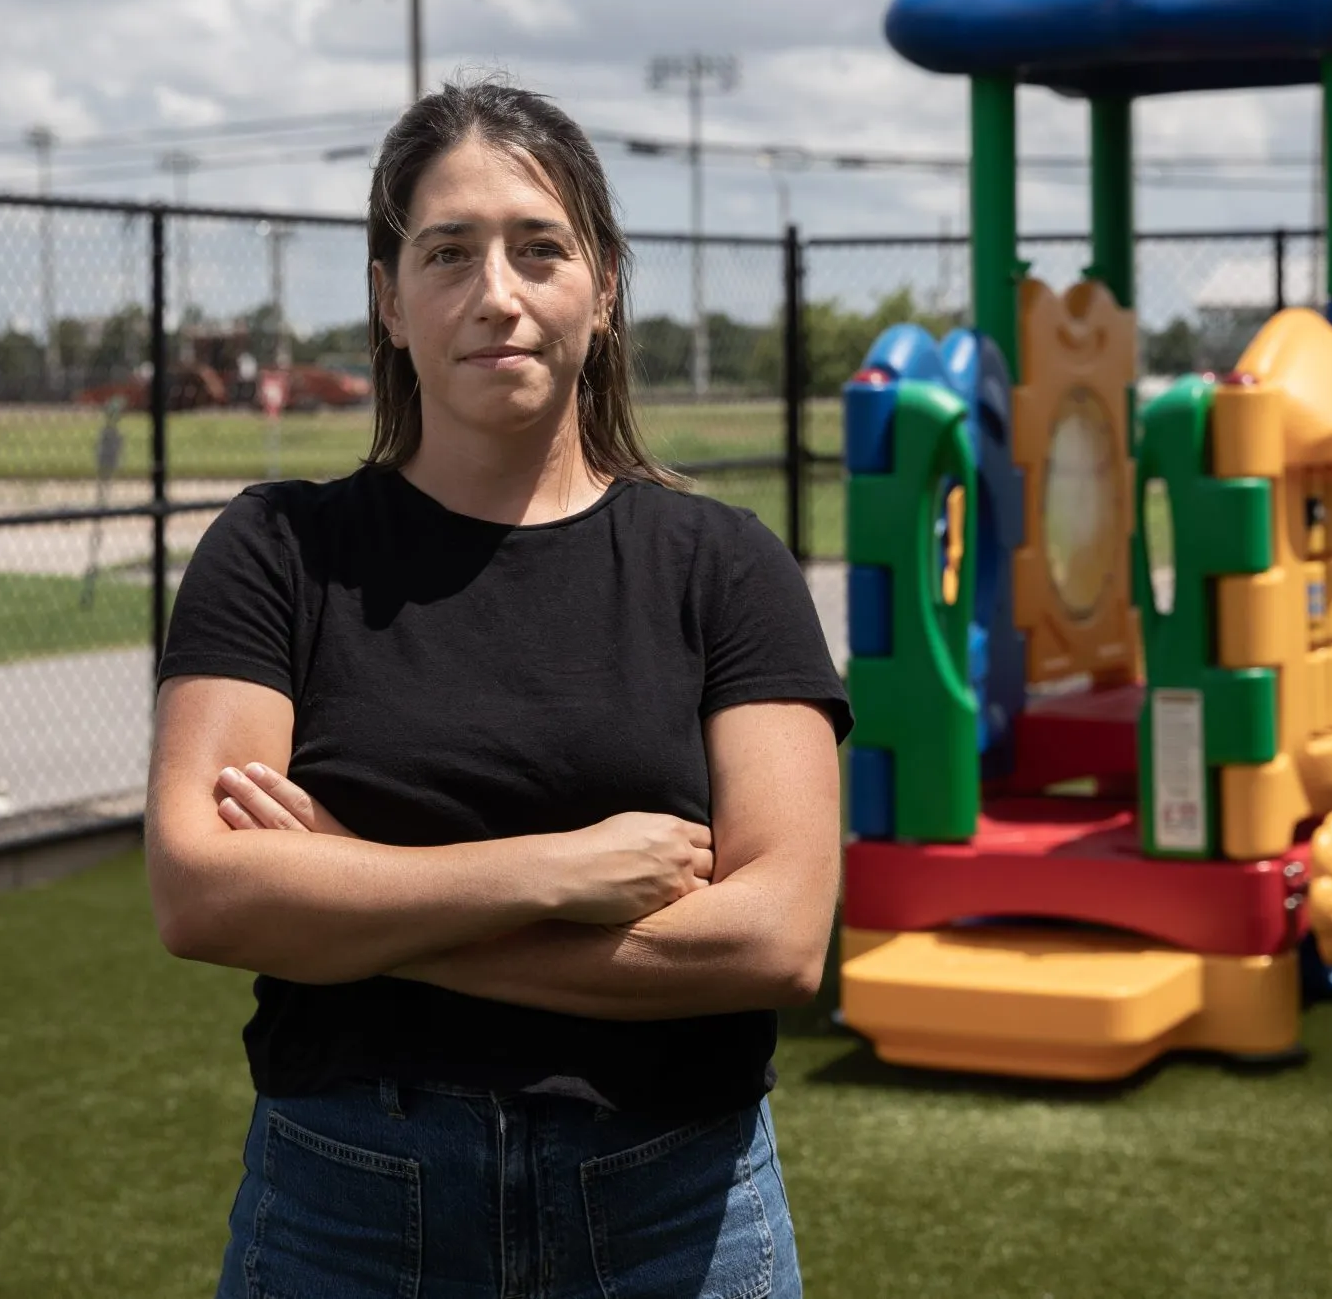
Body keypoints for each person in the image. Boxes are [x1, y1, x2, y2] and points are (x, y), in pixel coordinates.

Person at [147, 79, 848, 1298]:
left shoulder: (724, 566)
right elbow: (205, 896)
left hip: (675, 1208)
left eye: (540, 249)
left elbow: (777, 939)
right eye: (448, 254)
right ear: (389, 298)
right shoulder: (277, 553)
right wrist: (554, 872)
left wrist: (350, 899)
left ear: (605, 288)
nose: (497, 296)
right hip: (348, 1203)